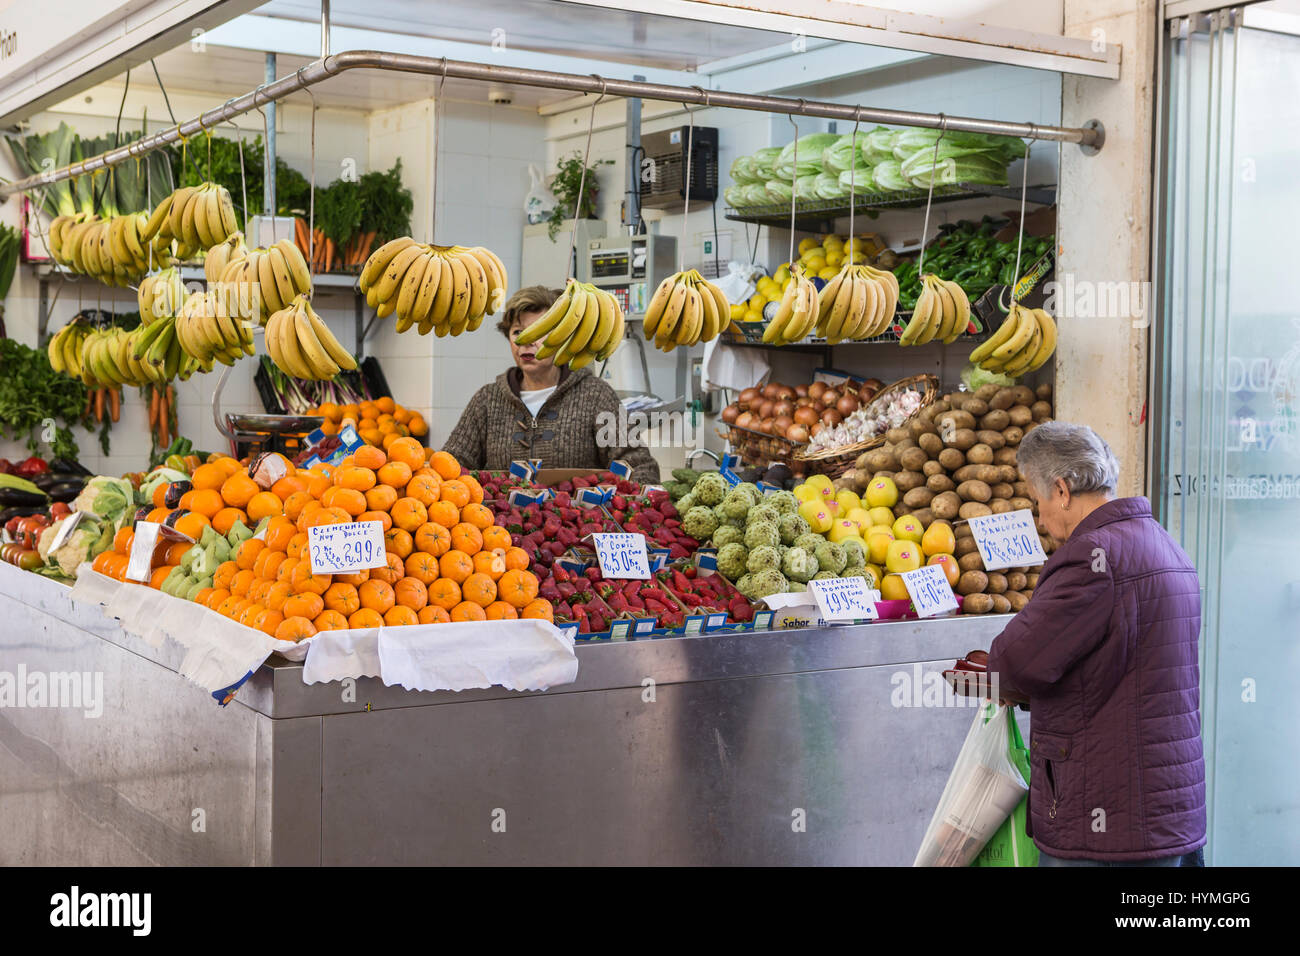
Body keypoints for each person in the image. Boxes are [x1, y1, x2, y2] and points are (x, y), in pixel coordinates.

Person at [983, 421, 1206, 867]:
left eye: (1038, 501)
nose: (1040, 519)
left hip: (1105, 821)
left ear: (1062, 490)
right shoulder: (1164, 546)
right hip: (1169, 811)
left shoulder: (1091, 559)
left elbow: (1010, 666)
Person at [442, 285, 660, 483]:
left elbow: (638, 464)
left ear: (562, 337)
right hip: (499, 524)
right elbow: (451, 465)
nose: (526, 341)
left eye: (539, 331)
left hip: (578, 522)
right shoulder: (487, 400)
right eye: (518, 332)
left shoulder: (595, 395)